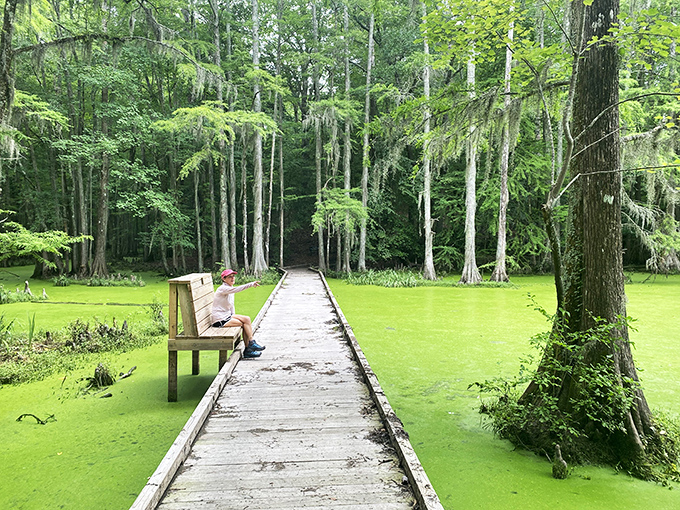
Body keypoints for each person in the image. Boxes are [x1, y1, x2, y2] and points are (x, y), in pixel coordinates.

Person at [212, 269, 265, 359]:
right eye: (229, 277)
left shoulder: (229, 289)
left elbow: (231, 305)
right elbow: (237, 289)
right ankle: (249, 348)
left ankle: (251, 344)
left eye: (233, 276)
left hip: (227, 315)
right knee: (243, 324)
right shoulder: (223, 289)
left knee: (247, 319)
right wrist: (251, 284)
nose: (232, 278)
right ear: (224, 279)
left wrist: (234, 315)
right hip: (220, 320)